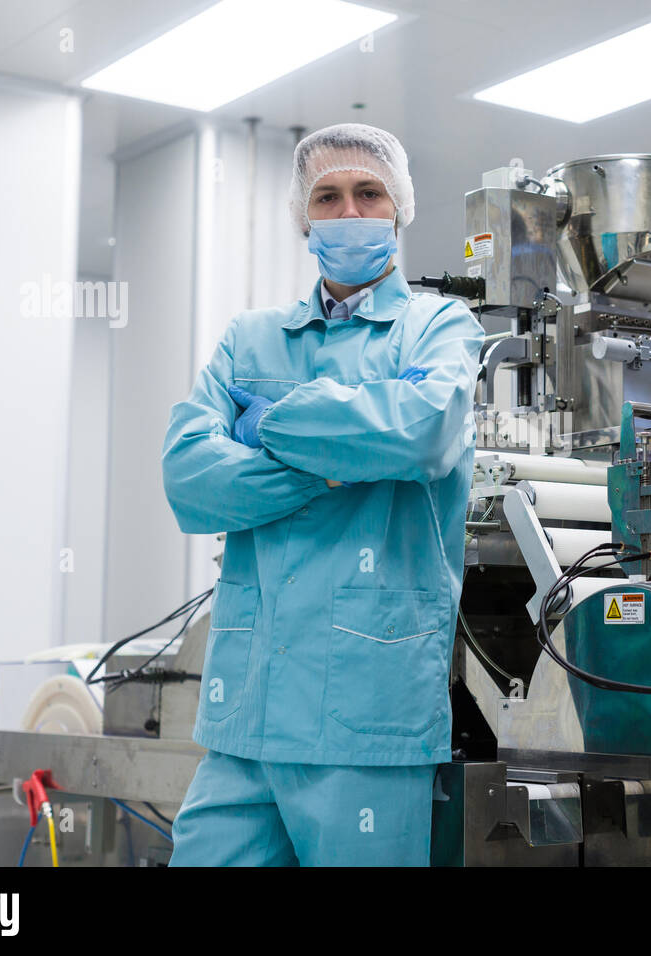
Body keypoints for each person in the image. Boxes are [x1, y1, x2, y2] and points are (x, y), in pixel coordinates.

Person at [161, 123, 484, 866]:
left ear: (398, 209)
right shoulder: (251, 338)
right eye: (327, 196)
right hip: (245, 719)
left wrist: (268, 423)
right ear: (302, 217)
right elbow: (188, 478)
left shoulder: (438, 326)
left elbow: (424, 432)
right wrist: (341, 461)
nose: (348, 211)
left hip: (367, 722)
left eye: (367, 193)